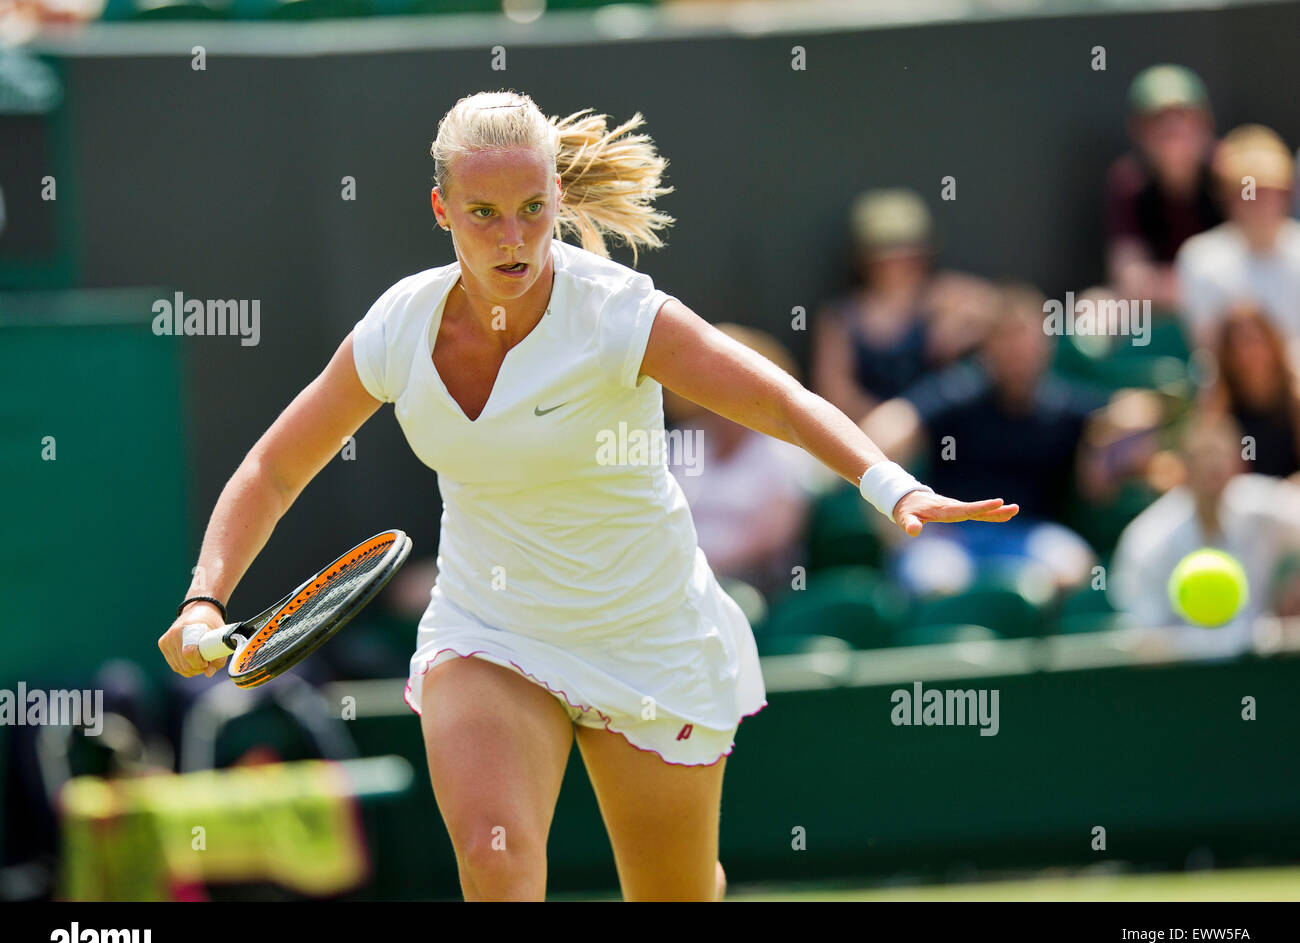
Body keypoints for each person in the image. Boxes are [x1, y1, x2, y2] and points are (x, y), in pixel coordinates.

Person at [157, 89, 1017, 902]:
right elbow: (273, 469)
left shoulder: (617, 314)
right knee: (497, 868)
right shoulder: (398, 329)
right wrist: (205, 599)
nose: (514, 240)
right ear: (441, 211)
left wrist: (892, 485)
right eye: (484, 213)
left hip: (645, 635)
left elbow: (778, 399)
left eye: (533, 208)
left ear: (559, 197)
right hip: (489, 628)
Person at [862, 284, 1144, 596]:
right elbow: (886, 428)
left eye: (1026, 339)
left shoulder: (1062, 404)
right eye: (1007, 339)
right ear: (989, 346)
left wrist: (1107, 438)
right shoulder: (959, 393)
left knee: (1074, 569)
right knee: (936, 582)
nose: (1018, 352)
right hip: (952, 535)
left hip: (1031, 533)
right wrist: (892, 505)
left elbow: (1134, 410)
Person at [1109, 412, 1300, 660]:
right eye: (1204, 457)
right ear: (1184, 467)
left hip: (1261, 673)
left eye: (1221, 455)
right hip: (1182, 682)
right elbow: (1145, 639)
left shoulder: (1266, 508)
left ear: (1238, 463)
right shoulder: (1148, 537)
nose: (1213, 467)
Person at [665, 323, 831, 599]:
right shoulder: (683, 441)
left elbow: (775, 536)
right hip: (677, 576)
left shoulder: (784, 451)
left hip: (755, 586)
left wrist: (707, 567)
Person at [812, 187, 994, 424]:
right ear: (864, 257)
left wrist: (965, 329)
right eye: (887, 250)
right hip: (870, 440)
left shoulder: (944, 296)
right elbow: (835, 393)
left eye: (909, 251)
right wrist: (893, 423)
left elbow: (1011, 313)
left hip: (941, 440)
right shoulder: (840, 317)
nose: (899, 261)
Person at [1104, 64, 1221, 312]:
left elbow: (1252, 267)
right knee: (1093, 309)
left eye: (1183, 117)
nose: (1173, 130)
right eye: (1159, 120)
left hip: (1229, 311)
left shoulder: (1229, 173)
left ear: (1204, 124)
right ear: (1139, 132)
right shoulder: (1129, 183)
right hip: (1156, 313)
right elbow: (1130, 280)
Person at [1176, 124, 1300, 353]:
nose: (1263, 202)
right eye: (1252, 191)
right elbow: (1210, 352)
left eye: (1272, 190)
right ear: (1230, 198)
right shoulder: (1200, 259)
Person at [1201, 303, 1300, 480]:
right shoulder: (1221, 411)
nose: (1249, 353)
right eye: (1238, 346)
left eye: (1255, 341)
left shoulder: (1295, 402)